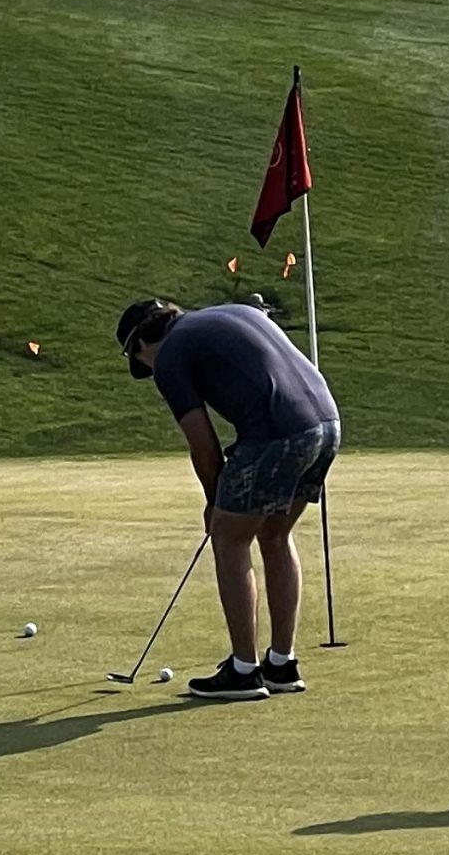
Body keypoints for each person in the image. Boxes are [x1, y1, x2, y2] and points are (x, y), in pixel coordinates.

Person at [116, 296, 342, 700]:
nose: (148, 371)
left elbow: (202, 446)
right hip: (326, 426)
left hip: (279, 433)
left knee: (229, 537)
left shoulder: (170, 357)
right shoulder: (233, 313)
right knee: (274, 536)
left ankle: (243, 670)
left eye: (140, 363)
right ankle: (282, 664)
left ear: (140, 345)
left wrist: (214, 501)